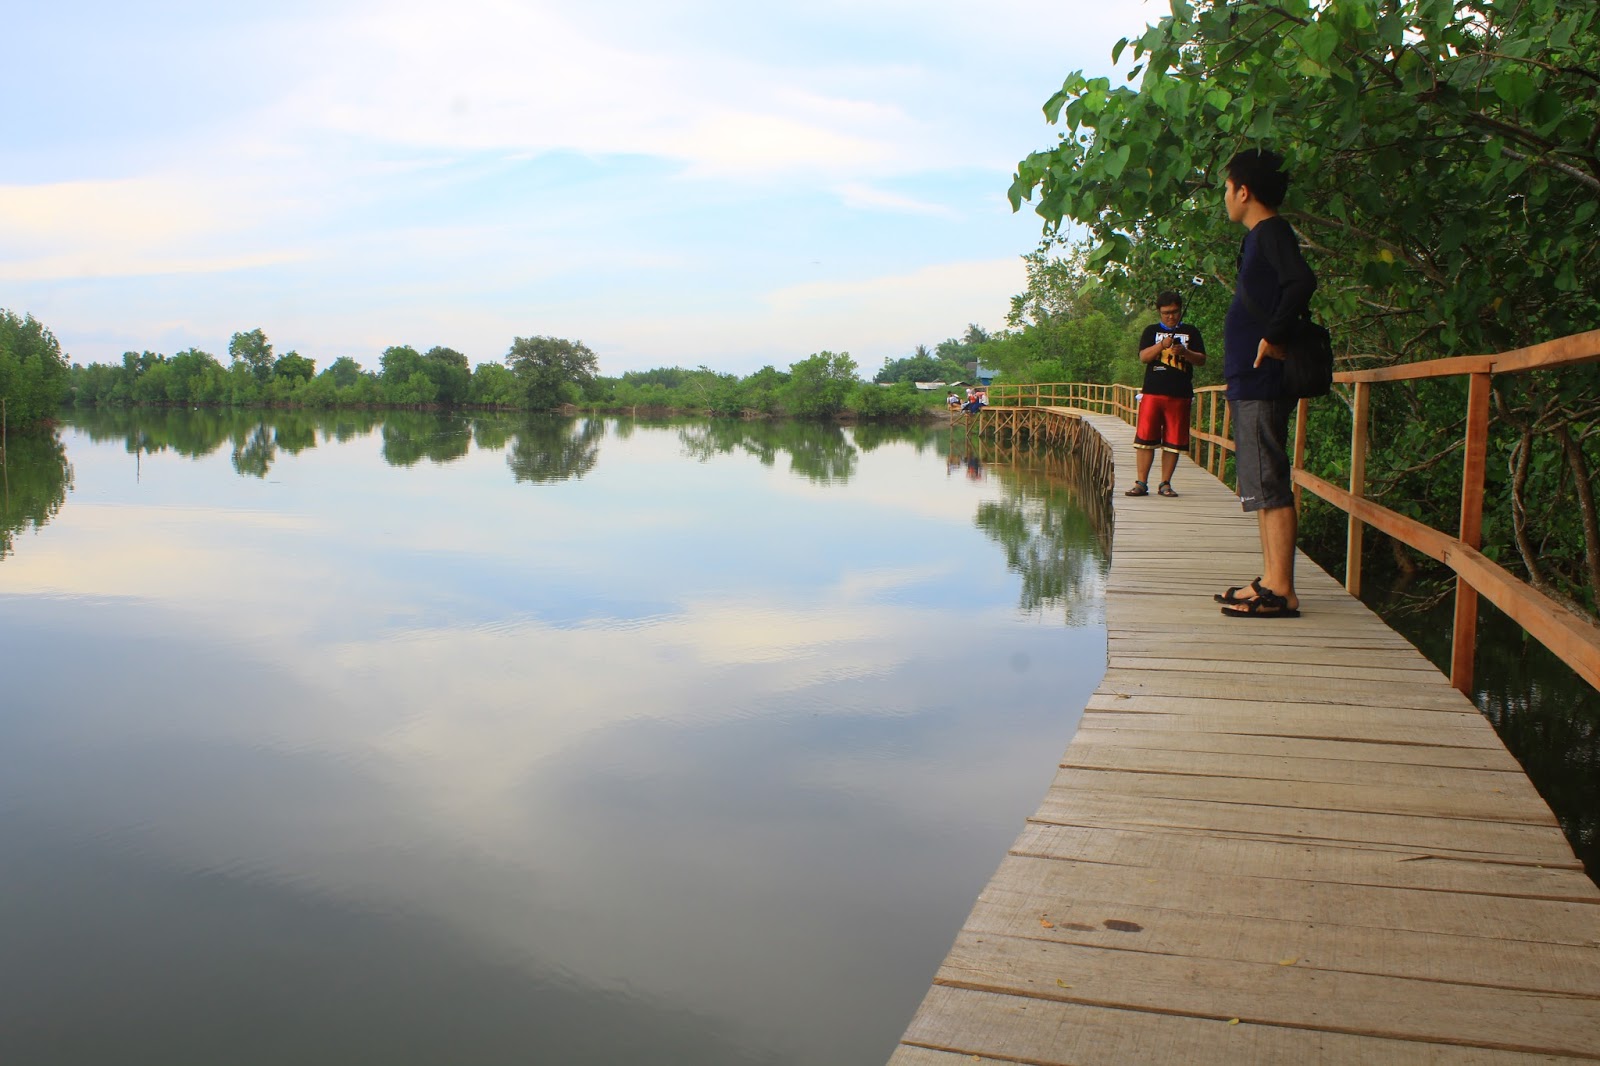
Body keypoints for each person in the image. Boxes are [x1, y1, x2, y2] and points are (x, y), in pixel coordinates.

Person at [1216, 147, 1317, 618]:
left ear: (1244, 190)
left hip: (1261, 378)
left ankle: (1282, 589)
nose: (1224, 198)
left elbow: (1301, 282)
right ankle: (1271, 579)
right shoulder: (1259, 237)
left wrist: (1271, 336)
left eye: (1226, 188)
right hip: (1248, 378)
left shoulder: (1272, 232)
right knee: (1259, 480)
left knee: (1269, 479)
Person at [1125, 291, 1205, 497]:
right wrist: (1162, 345)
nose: (1171, 316)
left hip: (1180, 395)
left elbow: (1201, 360)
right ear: (1160, 312)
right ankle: (1141, 482)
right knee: (1145, 438)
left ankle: (1165, 483)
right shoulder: (1151, 331)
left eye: (1175, 312)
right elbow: (1143, 357)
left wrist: (1185, 352)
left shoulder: (1191, 331)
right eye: (1166, 313)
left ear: (1180, 310)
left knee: (1173, 441)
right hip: (1153, 393)